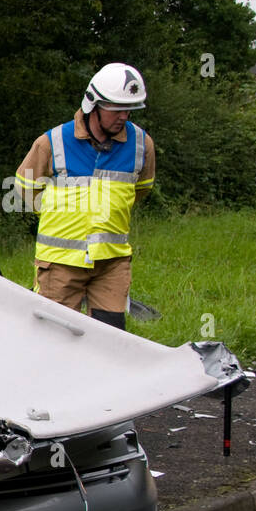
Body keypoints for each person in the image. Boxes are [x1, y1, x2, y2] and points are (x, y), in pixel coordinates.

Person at [14, 62, 156, 330]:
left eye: (128, 109)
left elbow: (141, 190)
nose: (123, 116)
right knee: (52, 336)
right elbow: (24, 187)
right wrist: (58, 215)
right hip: (60, 264)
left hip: (112, 263)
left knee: (110, 338)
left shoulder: (141, 144)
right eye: (115, 109)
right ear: (93, 104)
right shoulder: (53, 142)